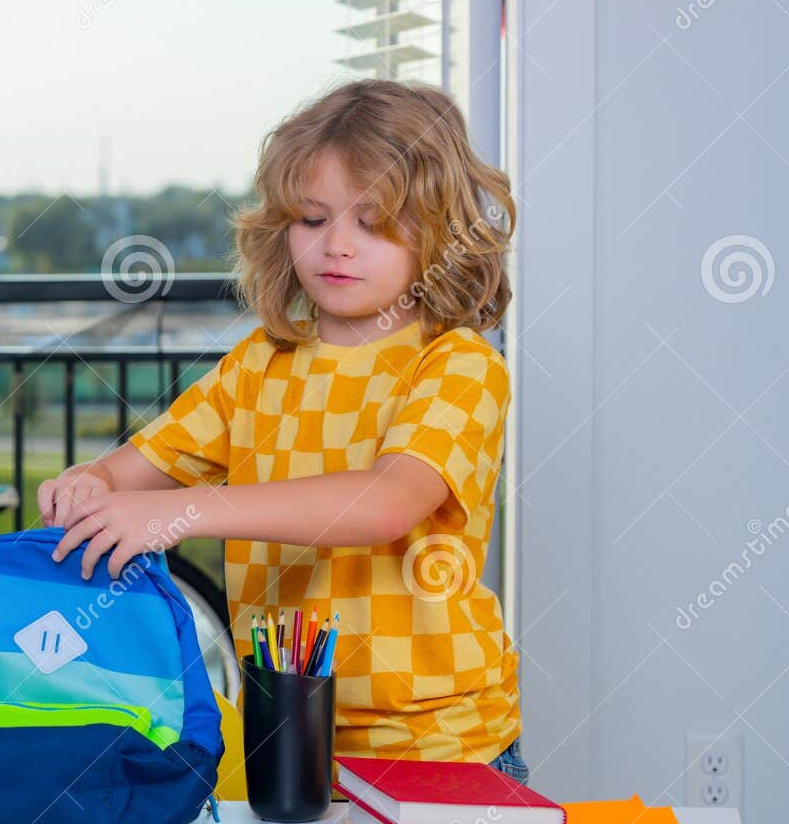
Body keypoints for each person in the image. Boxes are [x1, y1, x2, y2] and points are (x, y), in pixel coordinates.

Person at [38, 79, 527, 781]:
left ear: (440, 232)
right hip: (284, 742)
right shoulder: (259, 365)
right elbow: (134, 467)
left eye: (374, 223)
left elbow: (387, 501)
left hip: (440, 751)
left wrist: (183, 512)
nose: (337, 246)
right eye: (312, 218)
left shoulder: (458, 365)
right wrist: (90, 483)